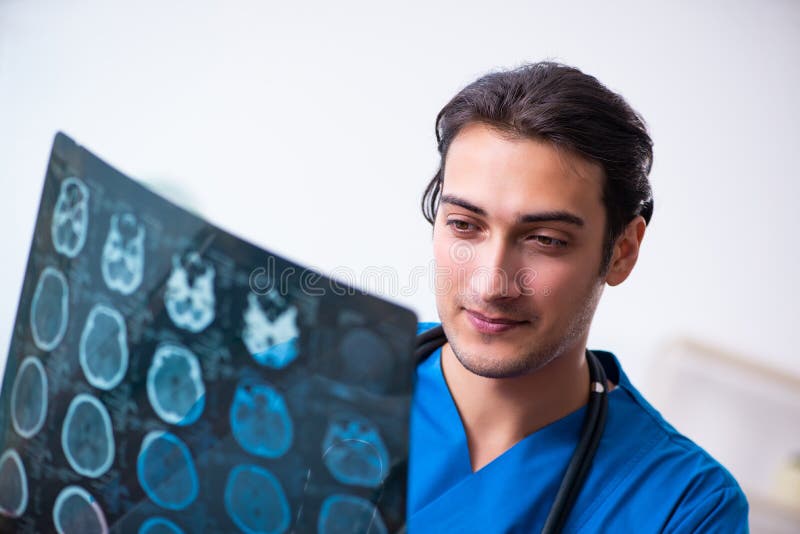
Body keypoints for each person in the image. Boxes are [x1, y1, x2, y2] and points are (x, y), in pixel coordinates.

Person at [406, 62, 749, 532]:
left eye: (545, 239)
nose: (491, 284)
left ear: (622, 252)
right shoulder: (310, 376)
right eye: (465, 225)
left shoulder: (684, 506)